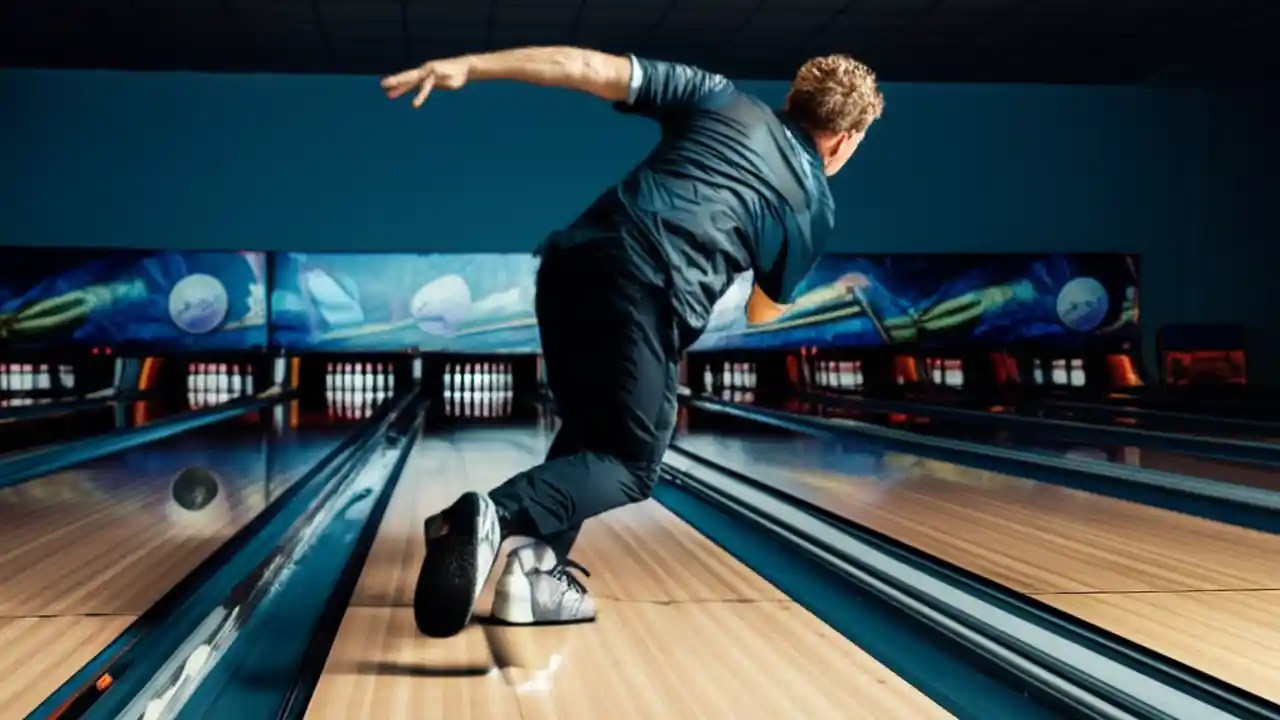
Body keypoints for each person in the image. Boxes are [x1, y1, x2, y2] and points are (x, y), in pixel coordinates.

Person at [381, 46, 884, 638]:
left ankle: (537, 576)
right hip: (647, 290)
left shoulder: (717, 94)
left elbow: (588, 69)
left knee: (591, 433)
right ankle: (489, 515)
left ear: (791, 99)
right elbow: (762, 310)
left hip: (571, 264)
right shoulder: (813, 209)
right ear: (846, 140)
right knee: (631, 465)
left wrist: (470, 67)